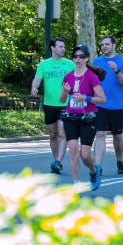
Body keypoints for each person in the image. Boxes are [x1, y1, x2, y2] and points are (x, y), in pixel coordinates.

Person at [60, 45, 106, 190]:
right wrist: (65, 91)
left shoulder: (91, 76)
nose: (78, 59)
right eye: (75, 56)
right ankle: (76, 184)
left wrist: (86, 98)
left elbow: (102, 99)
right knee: (73, 150)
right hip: (70, 117)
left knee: (85, 154)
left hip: (88, 118)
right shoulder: (68, 76)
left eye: (81, 56)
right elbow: (62, 100)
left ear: (86, 58)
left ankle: (94, 171)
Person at [30, 37, 74, 174]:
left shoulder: (69, 64)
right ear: (53, 48)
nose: (63, 49)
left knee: (62, 132)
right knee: (53, 134)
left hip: (65, 103)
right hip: (49, 104)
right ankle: (56, 161)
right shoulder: (44, 64)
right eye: (60, 47)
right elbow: (37, 79)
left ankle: (59, 161)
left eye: (64, 47)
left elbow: (77, 79)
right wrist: (34, 88)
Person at [92, 35, 123, 175]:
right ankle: (98, 166)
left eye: (107, 44)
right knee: (100, 133)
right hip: (100, 104)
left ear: (114, 45)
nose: (104, 47)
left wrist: (116, 70)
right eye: (102, 44)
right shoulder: (96, 61)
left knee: (117, 136)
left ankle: (119, 160)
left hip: (118, 105)